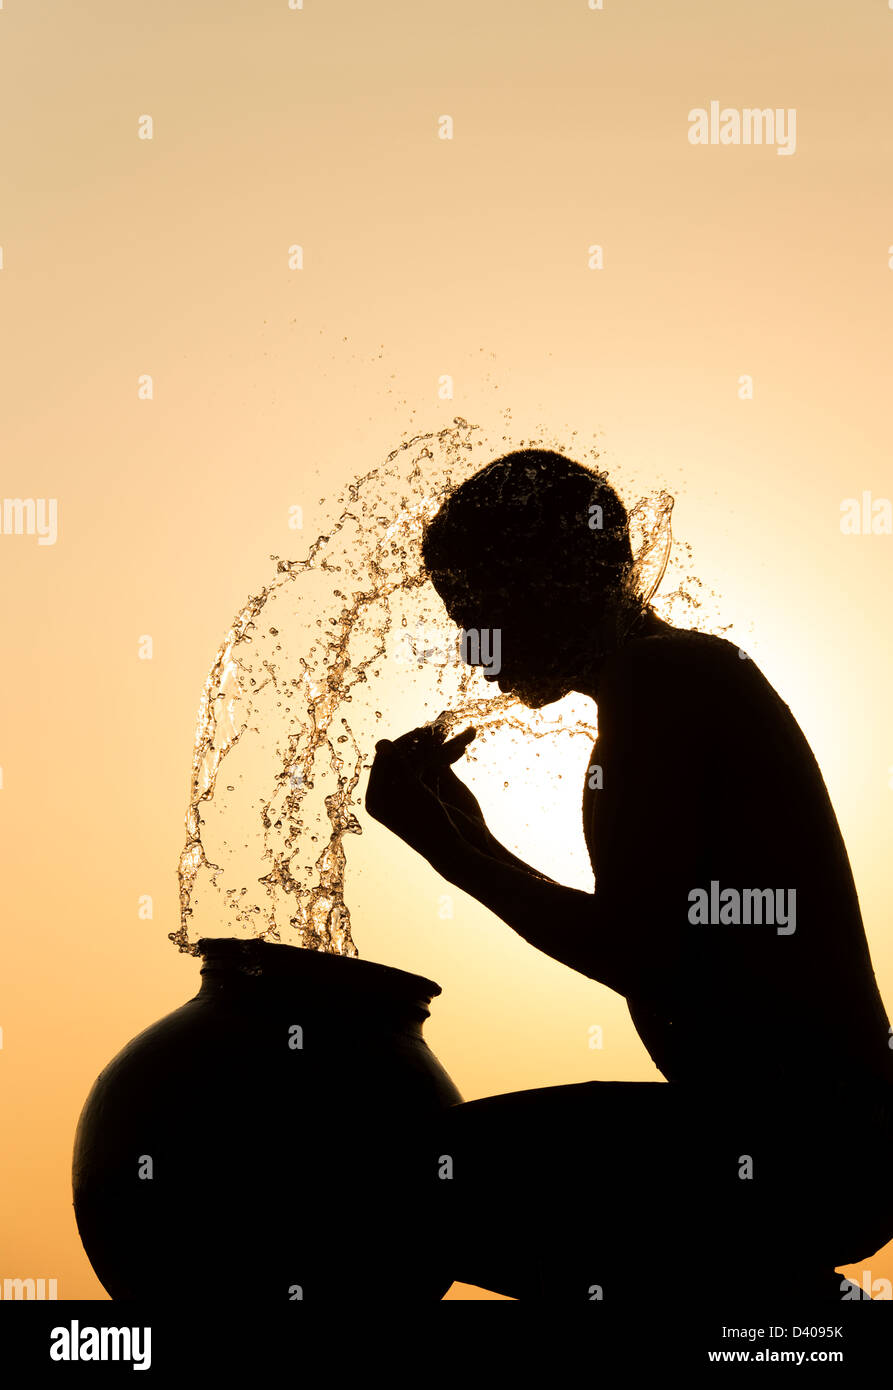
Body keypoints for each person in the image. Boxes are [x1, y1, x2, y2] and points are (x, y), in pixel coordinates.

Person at [365, 449, 893, 1303]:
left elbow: (645, 955)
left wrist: (452, 849)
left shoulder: (665, 682)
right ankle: (765, 1301)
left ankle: (772, 1306)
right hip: (811, 1146)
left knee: (398, 1188)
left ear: (552, 581)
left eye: (478, 612)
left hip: (799, 1146)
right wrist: (465, 837)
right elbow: (660, 941)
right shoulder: (668, 683)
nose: (471, 649)